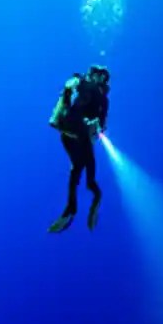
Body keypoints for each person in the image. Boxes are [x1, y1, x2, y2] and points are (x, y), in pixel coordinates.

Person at [47, 65, 110, 232]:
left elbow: (102, 123)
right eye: (96, 73)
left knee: (81, 174)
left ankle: (76, 208)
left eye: (101, 75)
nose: (97, 77)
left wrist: (96, 128)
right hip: (73, 132)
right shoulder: (85, 86)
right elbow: (69, 95)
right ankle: (74, 208)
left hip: (78, 134)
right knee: (81, 173)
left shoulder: (100, 96)